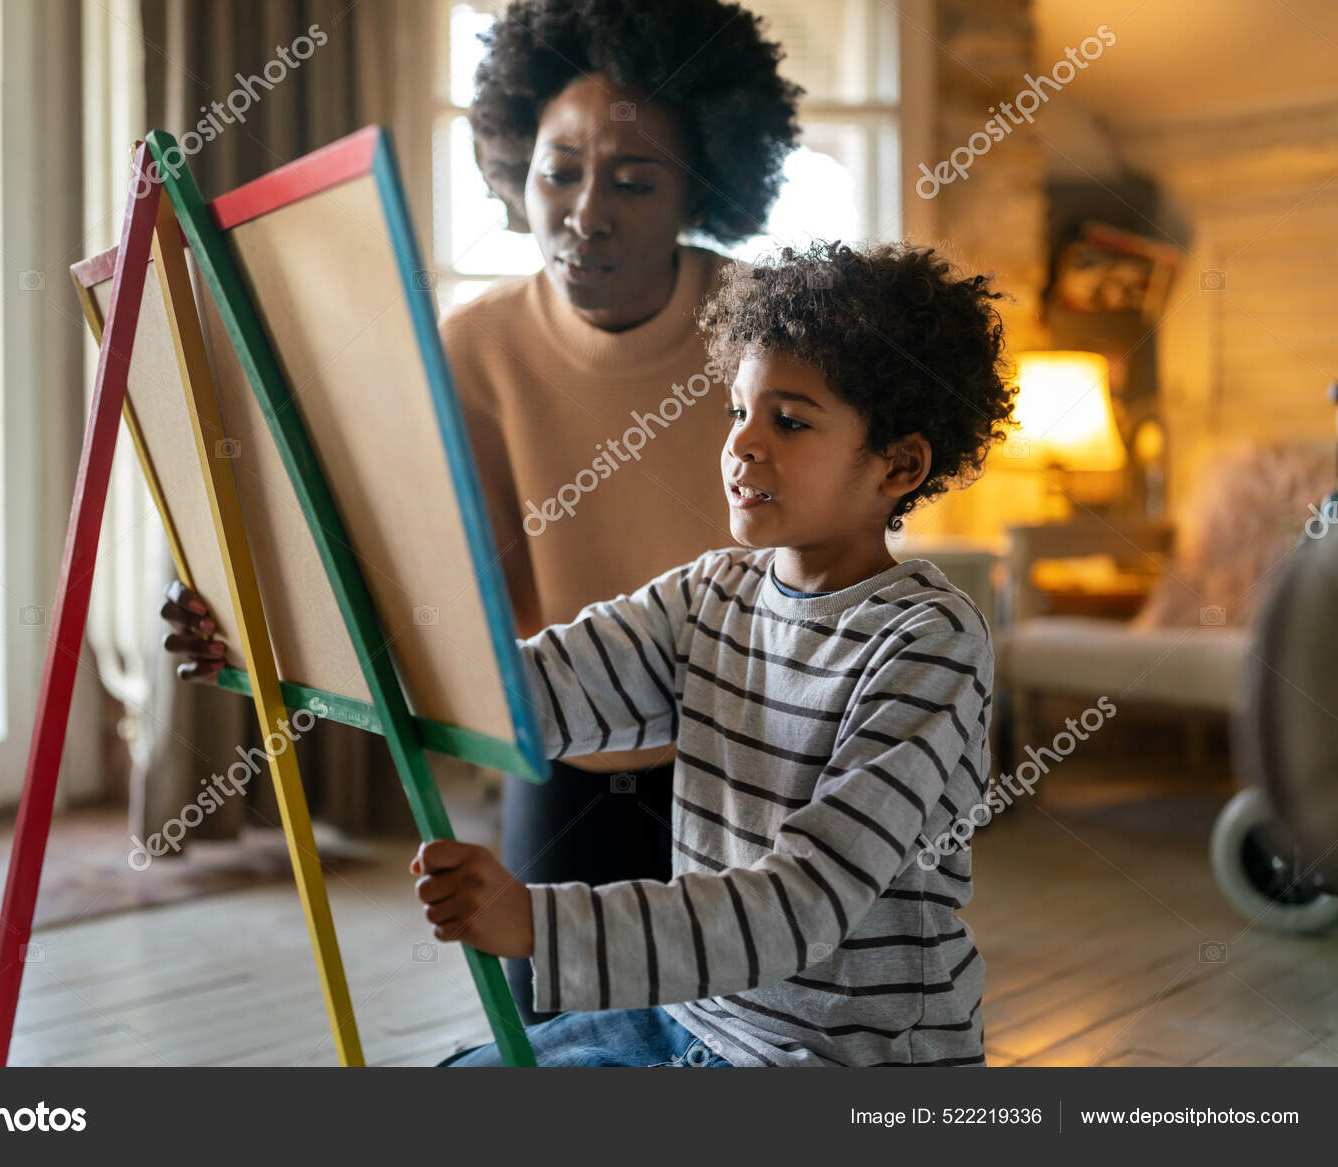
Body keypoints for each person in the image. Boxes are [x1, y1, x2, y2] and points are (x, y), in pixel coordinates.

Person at [164, 0, 803, 1026]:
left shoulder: (773, 334)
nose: (585, 210)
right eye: (559, 171)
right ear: (516, 167)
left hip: (752, 762)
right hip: (565, 763)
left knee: (745, 1044)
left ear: (703, 186)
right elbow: (398, 570)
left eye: (634, 182)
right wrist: (247, 618)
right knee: (554, 1047)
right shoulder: (472, 352)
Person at [411, 240, 1017, 1067]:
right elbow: (532, 691)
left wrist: (534, 923)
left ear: (899, 465)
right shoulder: (711, 595)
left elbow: (799, 907)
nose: (742, 445)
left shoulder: (929, 642)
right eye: (738, 411)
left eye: (790, 420)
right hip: (694, 1021)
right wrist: (303, 634)